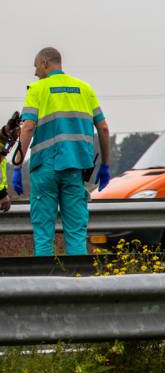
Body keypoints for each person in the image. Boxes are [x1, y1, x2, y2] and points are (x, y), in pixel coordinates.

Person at [13, 47, 111, 256]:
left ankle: (46, 286)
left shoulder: (38, 89)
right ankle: (78, 284)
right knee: (76, 233)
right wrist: (106, 165)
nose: (35, 72)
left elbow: (28, 127)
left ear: (45, 63)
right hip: (75, 169)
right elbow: (103, 128)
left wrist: (17, 165)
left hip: (45, 169)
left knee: (43, 234)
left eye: (36, 66)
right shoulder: (85, 89)